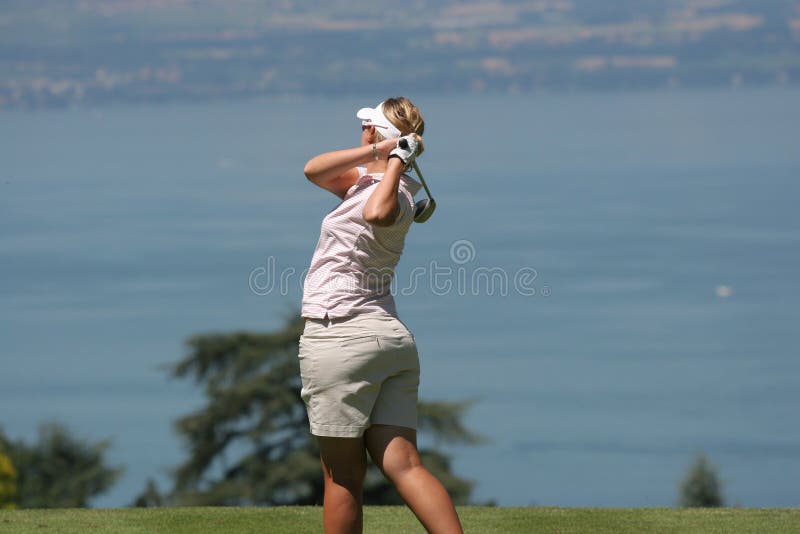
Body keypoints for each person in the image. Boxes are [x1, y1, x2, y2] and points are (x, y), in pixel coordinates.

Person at [298, 97, 464, 534]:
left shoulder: (387, 195)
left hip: (340, 336)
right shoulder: (371, 186)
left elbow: (376, 213)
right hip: (389, 341)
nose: (361, 133)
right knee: (405, 466)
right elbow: (314, 169)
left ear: (373, 132)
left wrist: (390, 162)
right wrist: (385, 157)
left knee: (343, 478)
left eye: (367, 129)